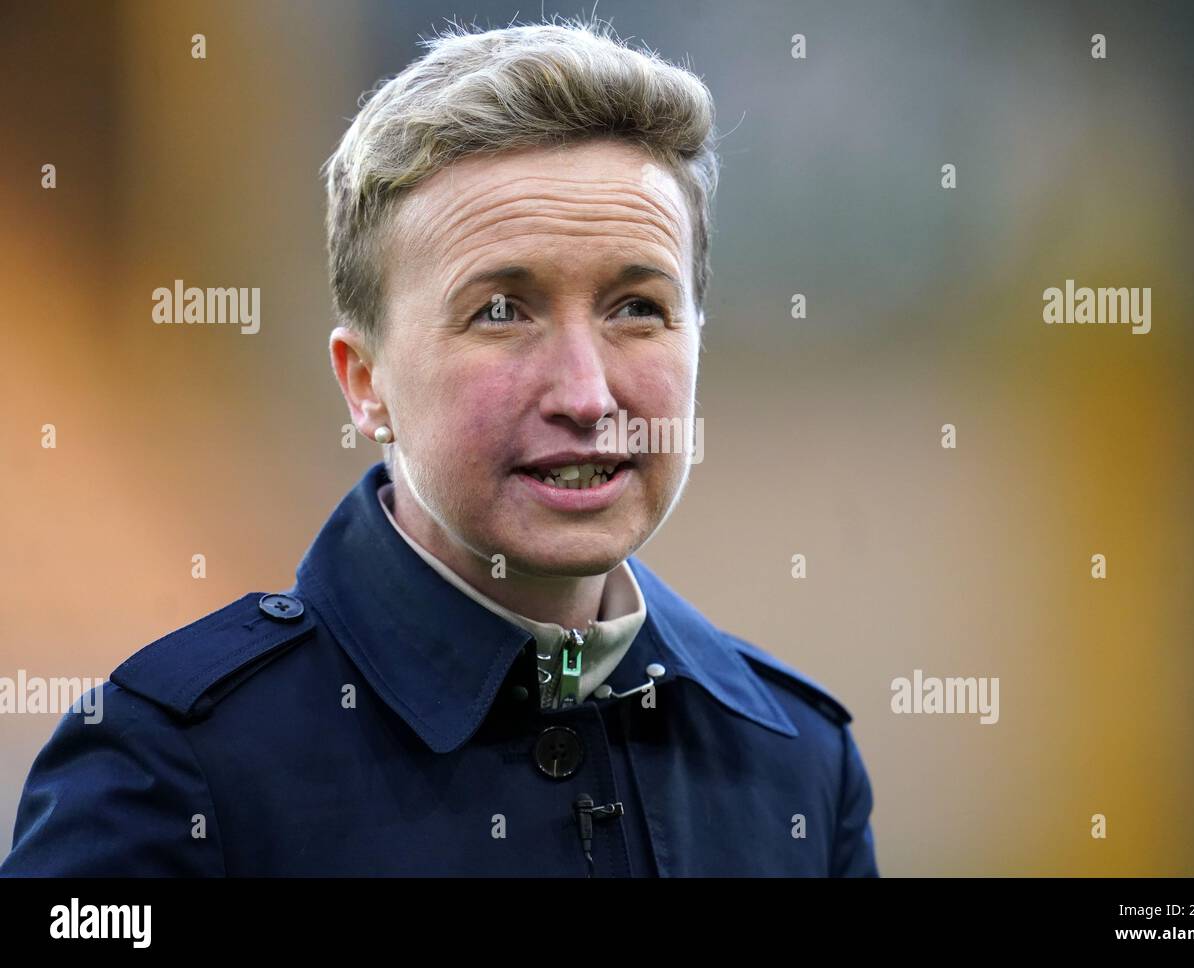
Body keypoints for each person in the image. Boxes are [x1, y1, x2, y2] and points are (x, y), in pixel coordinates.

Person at [1, 19, 879, 877]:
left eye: (638, 308)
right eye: (502, 311)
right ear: (365, 381)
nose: (585, 394)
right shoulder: (168, 765)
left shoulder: (798, 759)